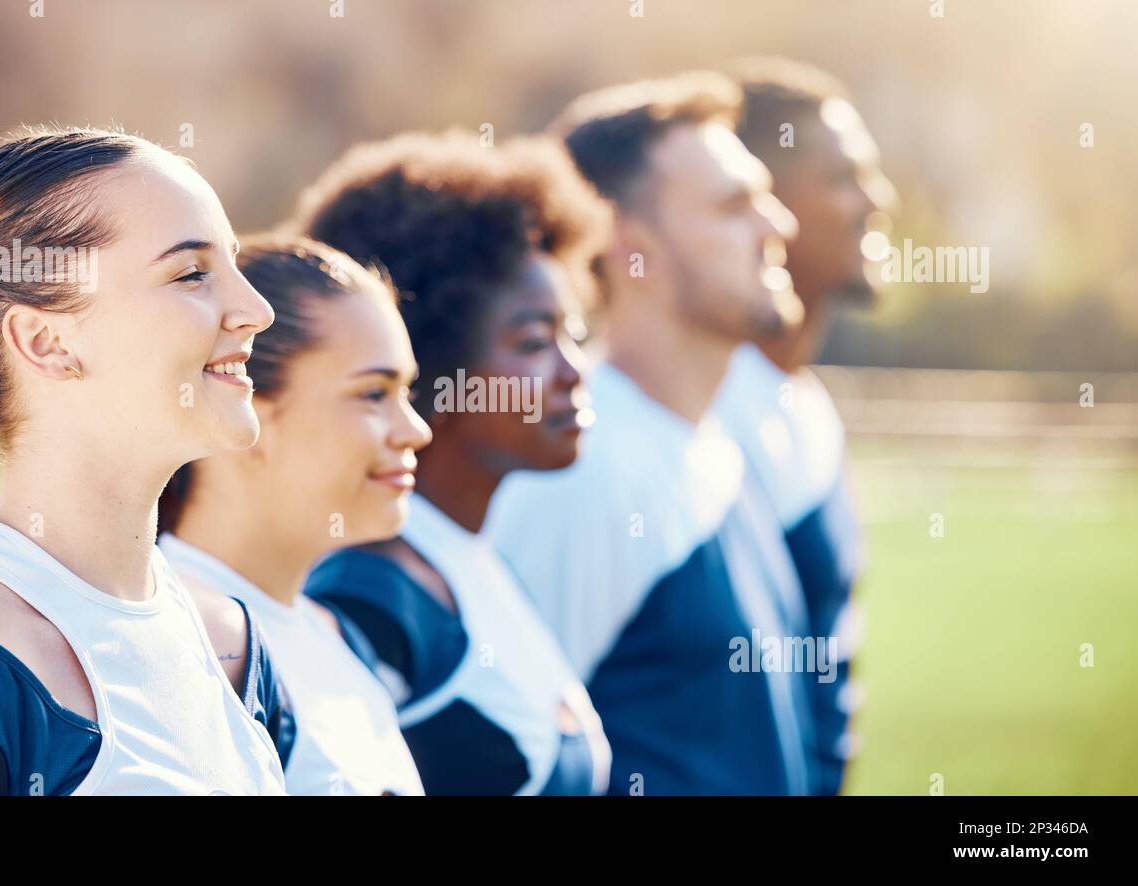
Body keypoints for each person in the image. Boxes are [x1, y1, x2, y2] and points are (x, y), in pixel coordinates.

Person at [0, 127, 288, 795]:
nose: (257, 310)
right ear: (46, 342)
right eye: (193, 272)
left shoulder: (235, 644)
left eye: (234, 266)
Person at [484, 74, 818, 795]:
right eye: (736, 207)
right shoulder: (579, 475)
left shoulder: (719, 441)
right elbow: (508, 762)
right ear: (635, 252)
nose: (778, 226)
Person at [295, 130, 613, 795]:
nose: (573, 371)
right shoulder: (366, 594)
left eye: (573, 335)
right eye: (534, 341)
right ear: (430, 359)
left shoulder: (470, 558)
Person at [157, 234, 429, 795]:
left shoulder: (336, 636)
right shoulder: (167, 639)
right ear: (249, 410)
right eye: (373, 394)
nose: (415, 430)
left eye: (407, 392)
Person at [712, 57, 899, 794]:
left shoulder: (808, 405)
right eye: (845, 177)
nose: (876, 201)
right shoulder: (702, 419)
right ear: (764, 202)